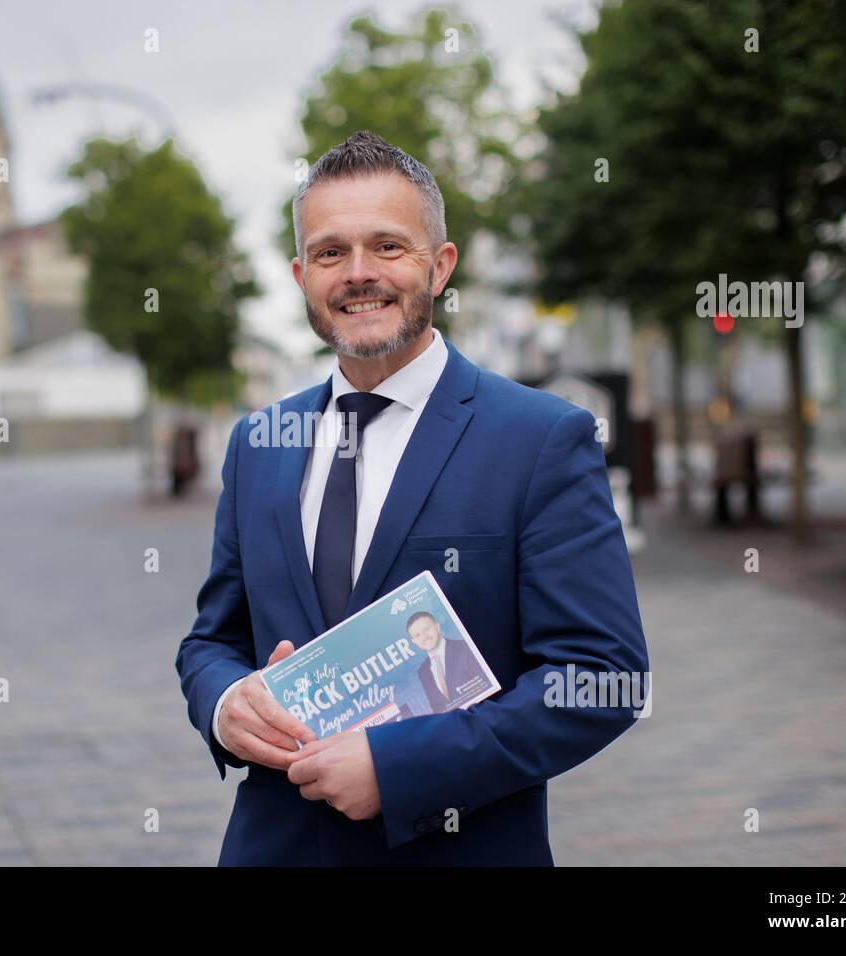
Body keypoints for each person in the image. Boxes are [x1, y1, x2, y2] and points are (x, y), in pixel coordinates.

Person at [175, 130, 648, 865]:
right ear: (302, 274)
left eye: (388, 247)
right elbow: (212, 641)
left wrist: (400, 770)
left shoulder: (540, 439)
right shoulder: (258, 442)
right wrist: (224, 703)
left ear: (441, 264)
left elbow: (602, 679)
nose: (359, 274)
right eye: (331, 253)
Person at [405, 611, 488, 711]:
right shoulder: (423, 671)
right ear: (413, 641)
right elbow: (436, 707)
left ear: (437, 627)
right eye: (417, 635)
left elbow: (486, 683)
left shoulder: (464, 647)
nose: (424, 637)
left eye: (426, 629)